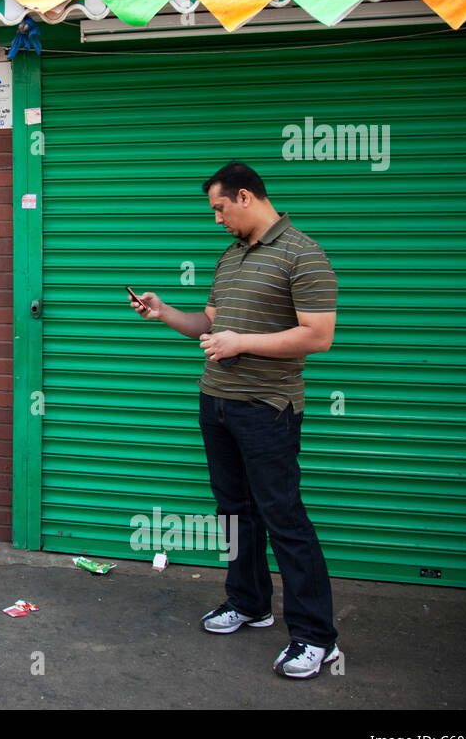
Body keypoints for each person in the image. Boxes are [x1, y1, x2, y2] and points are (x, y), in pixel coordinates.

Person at [131, 162, 340, 679]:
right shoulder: (230, 257)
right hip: (217, 403)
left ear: (245, 196)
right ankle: (249, 603)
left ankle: (317, 637)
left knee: (283, 517)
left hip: (268, 410)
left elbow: (318, 336)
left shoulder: (304, 255)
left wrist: (242, 343)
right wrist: (164, 312)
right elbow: (210, 324)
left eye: (220, 209)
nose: (217, 220)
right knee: (232, 511)